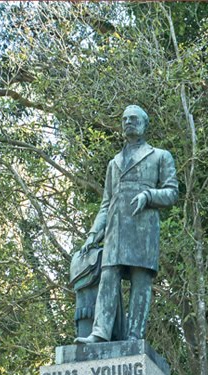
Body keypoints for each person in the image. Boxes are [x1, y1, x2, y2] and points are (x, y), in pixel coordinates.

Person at [75, 105, 178, 344]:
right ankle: (100, 332)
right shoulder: (115, 162)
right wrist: (93, 235)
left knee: (140, 283)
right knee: (108, 277)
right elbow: (106, 203)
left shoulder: (160, 156)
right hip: (115, 230)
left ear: (144, 123)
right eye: (124, 120)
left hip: (143, 231)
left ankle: (134, 336)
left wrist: (148, 196)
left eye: (133, 119)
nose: (128, 122)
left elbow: (172, 193)